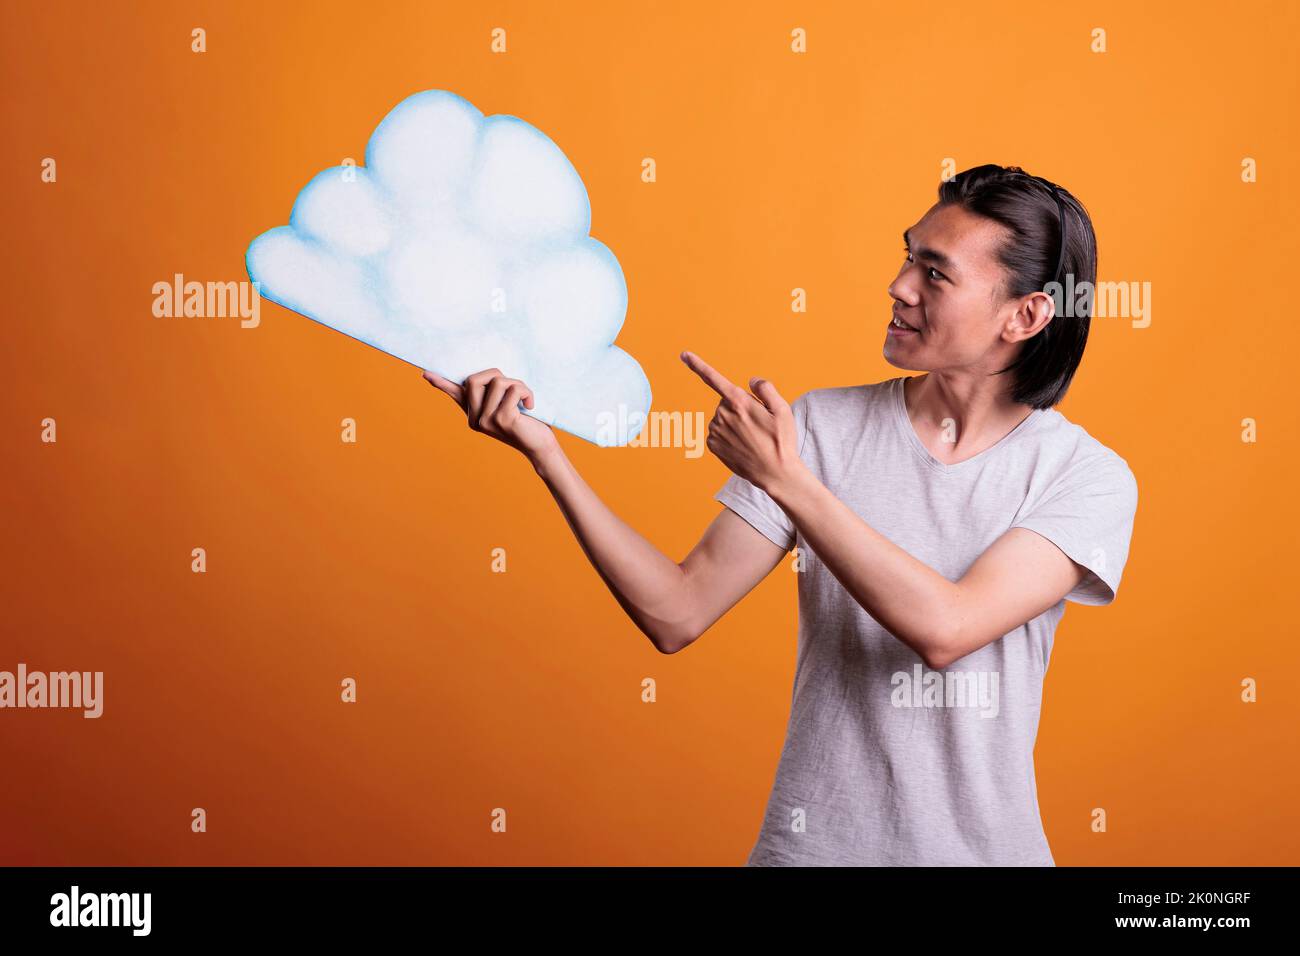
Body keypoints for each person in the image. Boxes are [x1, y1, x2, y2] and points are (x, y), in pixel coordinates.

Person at [422, 164, 1139, 866]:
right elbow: (676, 612)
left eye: (936, 272)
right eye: (906, 257)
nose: (899, 286)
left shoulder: (1084, 477)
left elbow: (947, 629)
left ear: (1026, 314)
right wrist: (545, 453)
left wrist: (788, 480)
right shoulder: (820, 428)